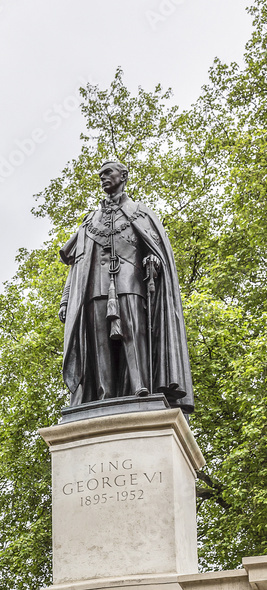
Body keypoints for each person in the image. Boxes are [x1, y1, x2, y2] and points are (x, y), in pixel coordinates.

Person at [58, 160, 194, 411]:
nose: (103, 178)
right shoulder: (89, 221)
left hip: (131, 282)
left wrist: (154, 259)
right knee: (100, 344)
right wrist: (67, 298)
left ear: (124, 176)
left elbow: (155, 249)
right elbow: (76, 264)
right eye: (100, 175)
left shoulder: (140, 213)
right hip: (95, 289)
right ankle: (103, 395)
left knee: (134, 334)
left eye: (108, 173)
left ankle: (139, 387)